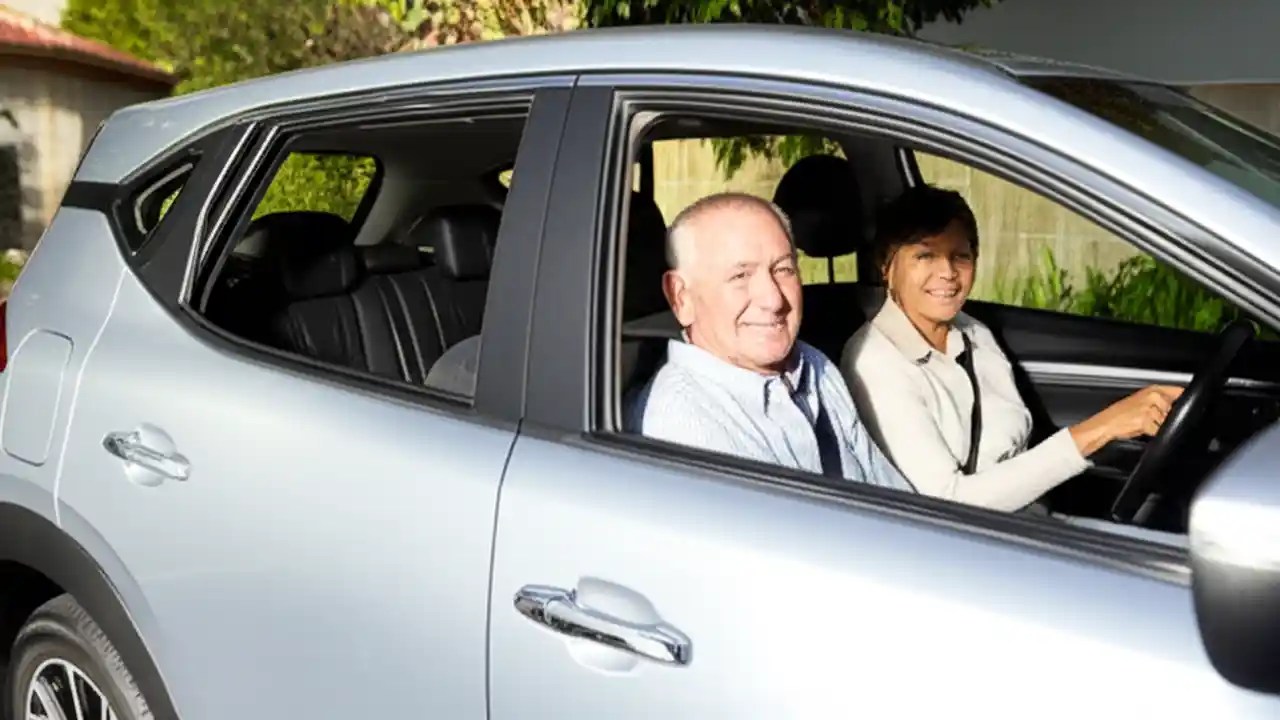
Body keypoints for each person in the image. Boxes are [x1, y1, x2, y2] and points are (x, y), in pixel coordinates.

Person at [840, 185, 1184, 514]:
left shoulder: (973, 333)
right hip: (970, 541)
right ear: (887, 267)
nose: (947, 272)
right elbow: (948, 505)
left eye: (960, 256)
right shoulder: (874, 363)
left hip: (1029, 518)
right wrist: (1100, 430)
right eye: (925, 255)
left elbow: (1017, 451)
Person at [625, 192, 911, 490]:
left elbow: (891, 491)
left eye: (783, 270)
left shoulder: (812, 364)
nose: (774, 299)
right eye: (740, 276)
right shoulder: (683, 426)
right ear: (681, 297)